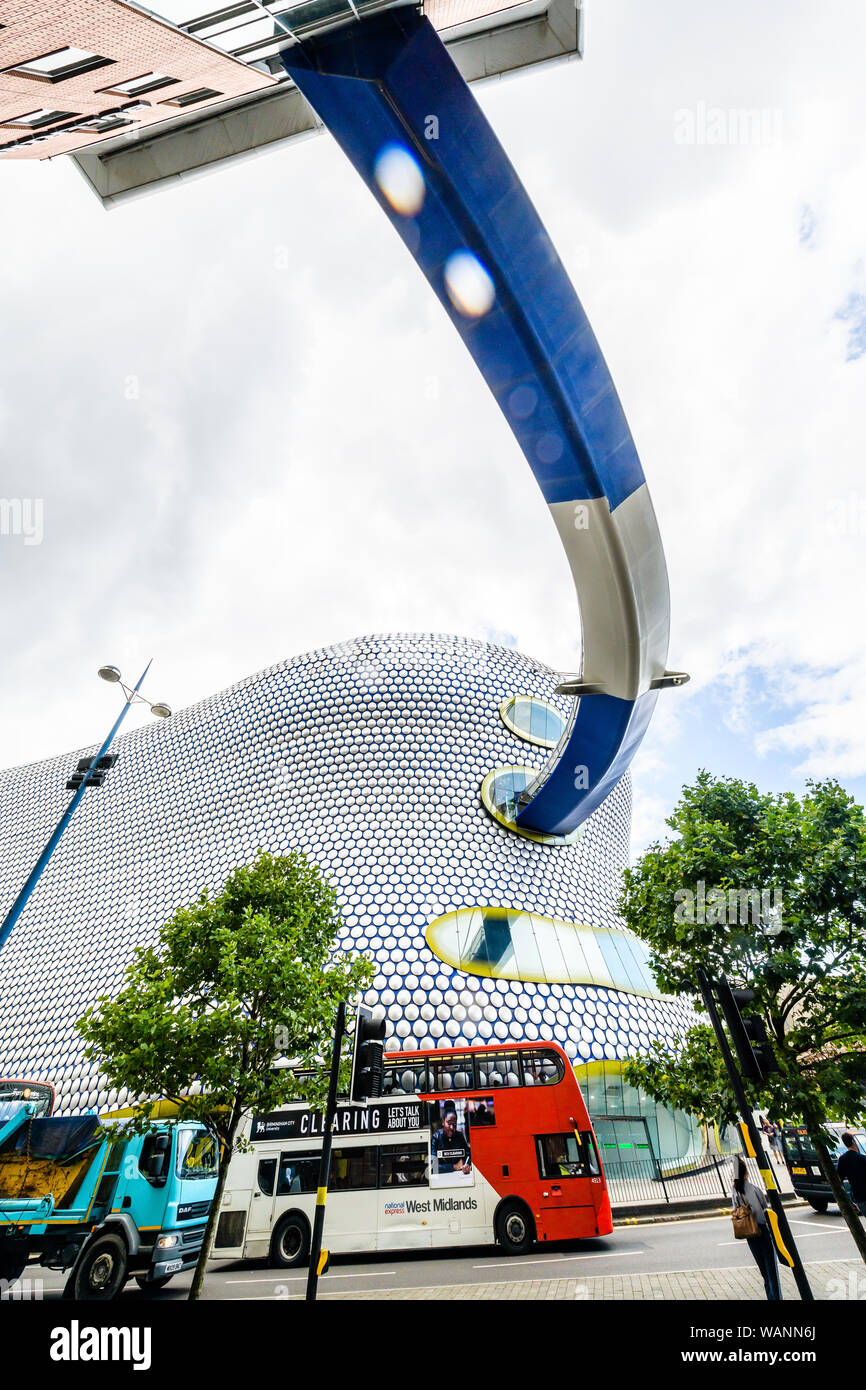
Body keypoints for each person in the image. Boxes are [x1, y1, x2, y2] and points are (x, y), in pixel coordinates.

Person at [732, 1157, 782, 1300]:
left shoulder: (734, 1190)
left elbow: (735, 1209)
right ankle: (775, 1297)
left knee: (764, 1271)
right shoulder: (752, 1188)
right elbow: (763, 1210)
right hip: (761, 1231)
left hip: (749, 1233)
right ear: (746, 1171)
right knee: (771, 1269)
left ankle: (769, 1296)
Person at [431, 1107, 471, 1176]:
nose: (452, 1127)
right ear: (443, 1122)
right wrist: (454, 1167)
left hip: (459, 1176)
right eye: (449, 1123)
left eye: (454, 1124)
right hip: (442, 1178)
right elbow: (433, 1167)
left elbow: (468, 1155)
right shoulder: (436, 1137)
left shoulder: (459, 1136)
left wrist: (467, 1165)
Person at [837, 1133, 866, 1216]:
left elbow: (839, 1181)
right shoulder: (863, 1158)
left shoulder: (842, 1159)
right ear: (853, 1141)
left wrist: (850, 1202)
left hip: (859, 1197)